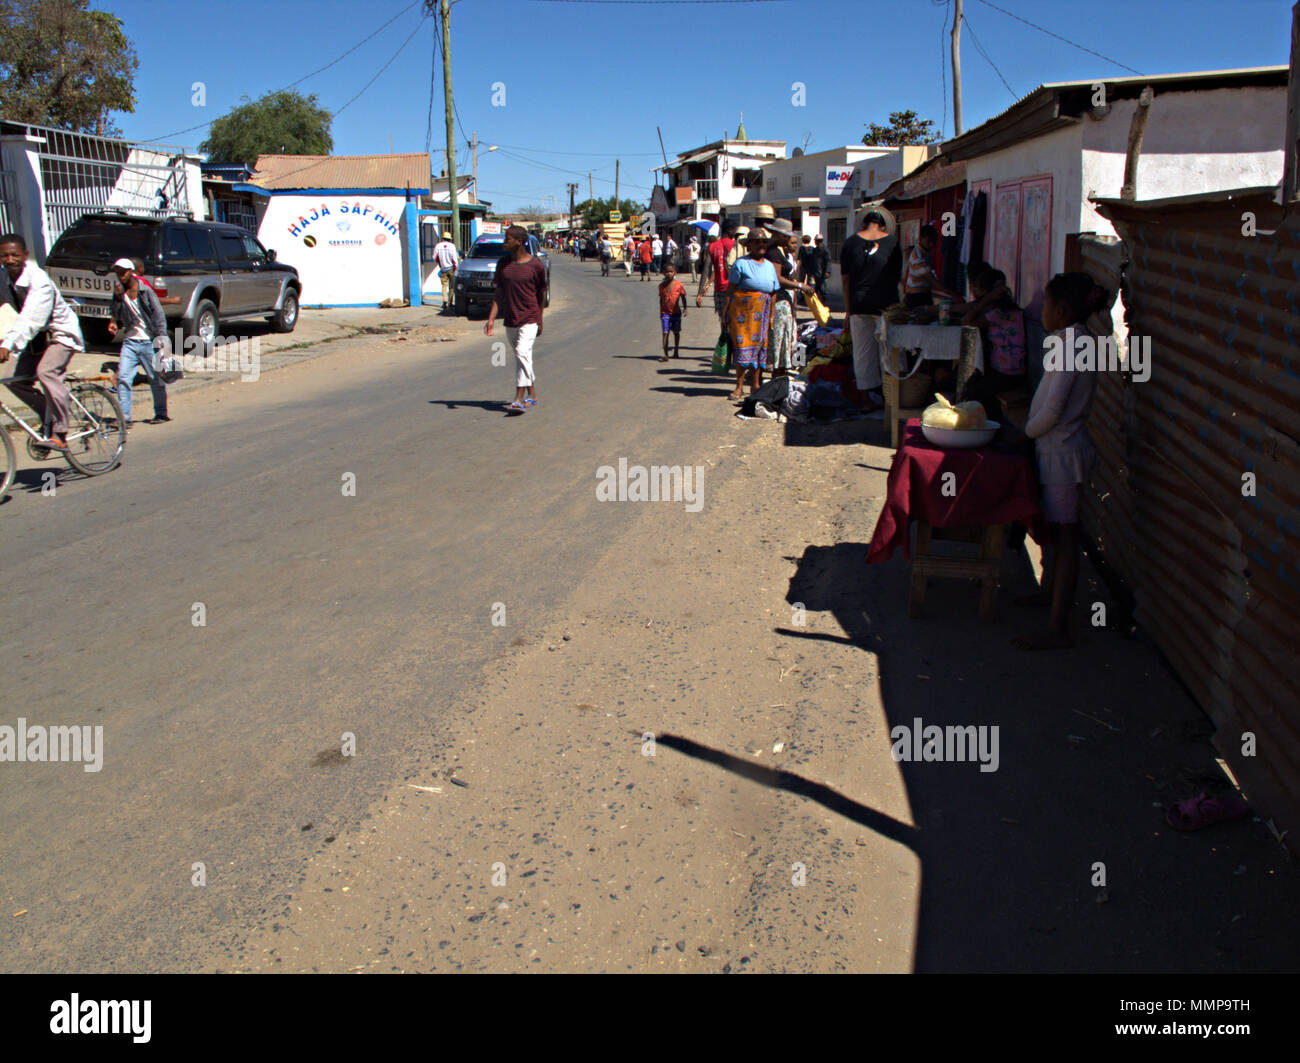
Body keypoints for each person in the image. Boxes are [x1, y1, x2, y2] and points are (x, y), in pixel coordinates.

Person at [1012, 272, 1111, 651]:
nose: (1042, 311)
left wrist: (1025, 433)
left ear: (1063, 310)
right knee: (1057, 532)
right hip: (1057, 449)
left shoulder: (1075, 345)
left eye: (1047, 304)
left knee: (1066, 537)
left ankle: (1058, 626)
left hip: (1063, 452)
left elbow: (1054, 407)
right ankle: (1048, 590)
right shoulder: (1071, 340)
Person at [0, 232, 85, 452]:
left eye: (14, 255)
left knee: (46, 372)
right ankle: (48, 412)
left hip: (60, 335)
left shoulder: (39, 282)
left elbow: (31, 317)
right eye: (4, 256)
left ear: (25, 255)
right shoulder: (4, 278)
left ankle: (60, 432)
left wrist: (8, 344)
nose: (9, 260)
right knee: (11, 379)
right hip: (36, 340)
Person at [840, 209, 902, 406]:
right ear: (883, 226)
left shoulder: (850, 243)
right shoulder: (892, 242)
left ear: (863, 224)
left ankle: (866, 400)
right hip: (886, 304)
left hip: (859, 305)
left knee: (863, 353)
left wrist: (848, 311)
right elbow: (898, 278)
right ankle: (891, 398)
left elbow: (845, 281)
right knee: (889, 352)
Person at [485, 225, 547, 413]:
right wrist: (491, 318)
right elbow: (499, 292)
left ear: (519, 242)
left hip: (529, 317)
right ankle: (533, 394)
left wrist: (540, 318)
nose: (505, 242)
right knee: (522, 357)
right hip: (511, 318)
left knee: (521, 352)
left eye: (508, 239)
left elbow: (541, 293)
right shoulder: (503, 264)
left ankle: (518, 397)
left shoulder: (535, 265)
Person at [107, 257, 170, 426]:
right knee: (123, 378)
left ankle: (161, 413)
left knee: (155, 378)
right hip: (130, 342)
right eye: (117, 272)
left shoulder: (145, 291)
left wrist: (162, 339)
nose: (120, 276)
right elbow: (117, 314)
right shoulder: (119, 292)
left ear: (131, 272)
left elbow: (158, 315)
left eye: (123, 272)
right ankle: (125, 418)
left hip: (148, 341)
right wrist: (115, 316)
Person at [960, 266, 1028, 421]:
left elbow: (967, 321)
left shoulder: (999, 313)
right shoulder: (1007, 309)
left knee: (973, 393)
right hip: (1009, 372)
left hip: (1007, 375)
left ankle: (990, 428)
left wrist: (987, 299)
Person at [723, 228, 780, 400]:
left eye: (763, 242)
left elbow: (773, 292)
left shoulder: (770, 266)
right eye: (757, 242)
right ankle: (739, 386)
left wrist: (771, 316)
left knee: (759, 350)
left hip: (761, 316)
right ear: (749, 245)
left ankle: (755, 386)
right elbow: (730, 291)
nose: (761, 245)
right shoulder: (740, 264)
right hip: (742, 314)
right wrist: (725, 314)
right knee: (741, 349)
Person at [764, 220, 814, 378]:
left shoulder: (780, 251)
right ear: (778, 234)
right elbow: (777, 278)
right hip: (778, 300)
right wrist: (799, 285)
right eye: (785, 236)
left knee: (785, 336)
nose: (787, 240)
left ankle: (780, 372)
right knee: (778, 336)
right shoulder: (773, 252)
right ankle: (777, 374)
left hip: (785, 299)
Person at [903, 224, 959, 307]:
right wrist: (954, 296)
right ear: (921, 238)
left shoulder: (920, 252)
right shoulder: (918, 259)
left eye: (933, 242)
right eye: (928, 241)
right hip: (917, 298)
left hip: (919, 295)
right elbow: (933, 281)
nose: (931, 245)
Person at [695, 222, 736, 329]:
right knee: (734, 322)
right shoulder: (734, 245)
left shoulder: (712, 247)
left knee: (723, 320)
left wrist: (699, 293)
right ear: (730, 230)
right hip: (734, 288)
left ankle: (724, 342)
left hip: (719, 290)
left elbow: (706, 270)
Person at [657, 263, 688, 362]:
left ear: (675, 273)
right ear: (663, 273)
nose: (669, 274)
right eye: (667, 272)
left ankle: (676, 351)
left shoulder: (679, 285)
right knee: (665, 332)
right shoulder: (661, 286)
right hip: (665, 312)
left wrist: (685, 309)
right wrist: (660, 311)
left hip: (676, 312)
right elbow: (661, 299)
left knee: (676, 332)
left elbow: (683, 297)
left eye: (671, 271)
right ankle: (665, 354)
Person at [432, 231, 459, 314]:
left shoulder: (438, 246)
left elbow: (435, 257)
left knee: (444, 286)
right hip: (451, 268)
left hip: (443, 268)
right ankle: (450, 302)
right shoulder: (452, 246)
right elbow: (454, 258)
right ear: (449, 239)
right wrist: (456, 268)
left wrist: (440, 264)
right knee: (451, 286)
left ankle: (444, 302)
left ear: (443, 238)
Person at [812, 235, 830, 299]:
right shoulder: (815, 250)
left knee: (822, 288)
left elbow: (828, 261)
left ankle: (823, 300)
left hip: (823, 272)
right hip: (816, 271)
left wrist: (827, 271)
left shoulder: (825, 250)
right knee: (817, 287)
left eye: (815, 240)